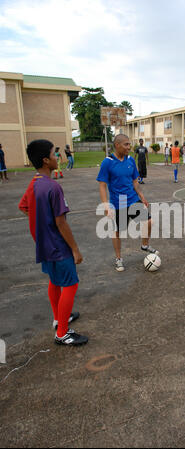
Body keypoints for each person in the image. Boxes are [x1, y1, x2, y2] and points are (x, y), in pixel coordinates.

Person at [18, 139, 88, 346]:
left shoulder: (34, 183)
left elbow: (23, 207)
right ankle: (62, 333)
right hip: (58, 245)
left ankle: (59, 317)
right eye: (54, 154)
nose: (58, 157)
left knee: (55, 281)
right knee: (71, 284)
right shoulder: (53, 187)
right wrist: (75, 249)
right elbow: (60, 222)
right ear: (46, 160)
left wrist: (40, 223)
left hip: (43, 243)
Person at [97, 134, 159, 272]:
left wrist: (141, 196)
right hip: (118, 203)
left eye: (129, 144)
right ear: (117, 145)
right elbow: (102, 185)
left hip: (132, 199)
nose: (129, 147)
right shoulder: (107, 162)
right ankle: (119, 258)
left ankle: (144, 245)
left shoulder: (130, 160)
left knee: (149, 222)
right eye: (126, 144)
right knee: (117, 232)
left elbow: (135, 181)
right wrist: (106, 204)